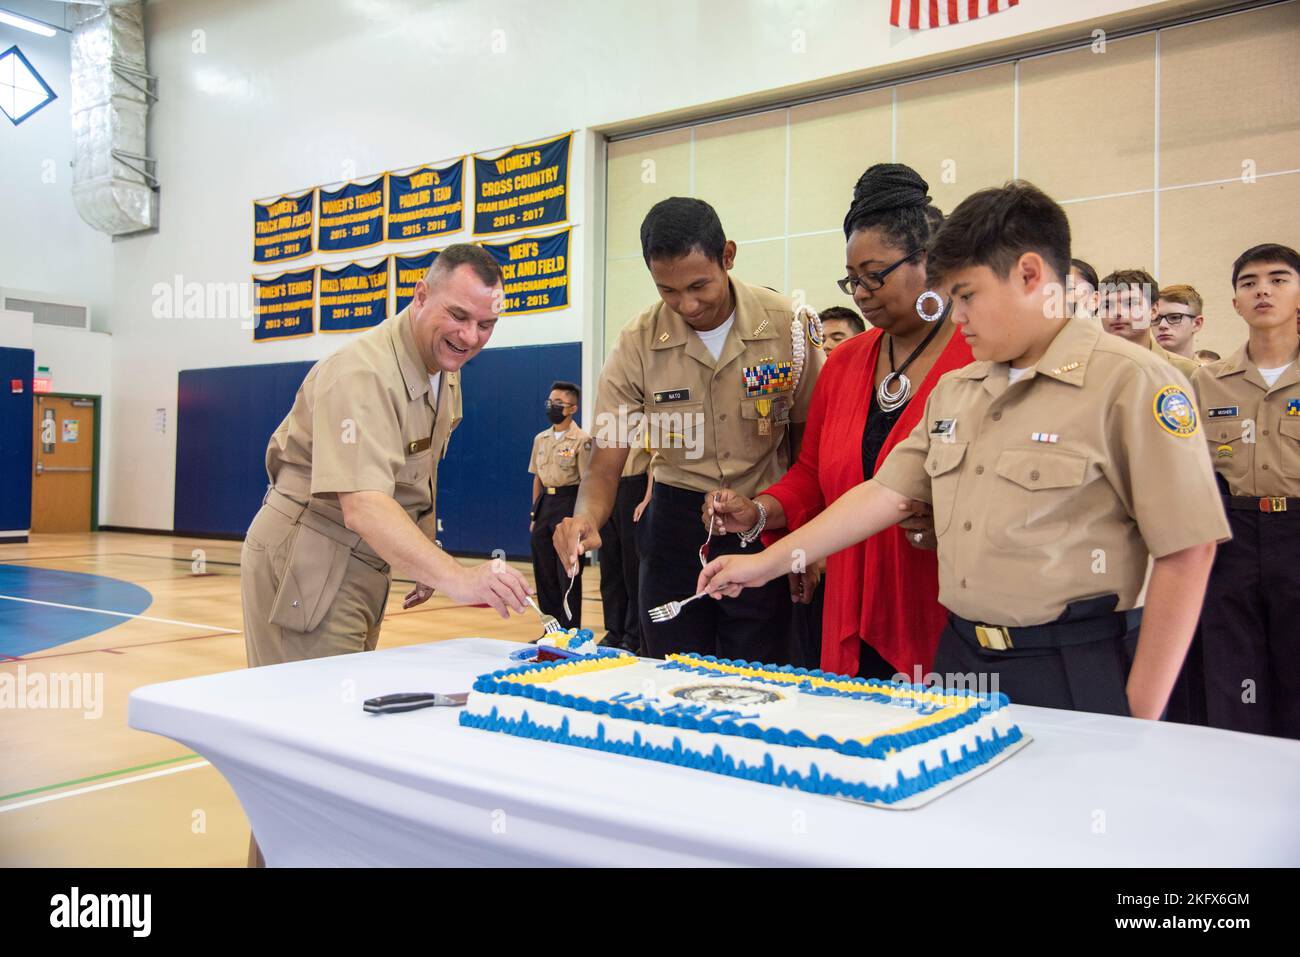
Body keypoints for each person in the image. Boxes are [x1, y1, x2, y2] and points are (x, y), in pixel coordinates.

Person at [698, 180, 1229, 720]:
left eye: (968, 296)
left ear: (1028, 275)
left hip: (1074, 662)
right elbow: (885, 494)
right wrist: (764, 562)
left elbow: (1188, 551)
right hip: (960, 656)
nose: (957, 317)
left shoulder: (1132, 384)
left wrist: (1140, 715)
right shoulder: (961, 387)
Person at [240, 244, 532, 865]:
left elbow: (411, 475)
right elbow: (364, 505)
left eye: (486, 325)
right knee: (302, 748)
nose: (470, 336)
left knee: (331, 744)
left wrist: (422, 555)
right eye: (458, 315)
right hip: (309, 555)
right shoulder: (363, 372)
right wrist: (456, 577)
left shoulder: (439, 369)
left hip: (358, 560)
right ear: (419, 296)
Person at [705, 163, 973, 678]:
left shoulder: (975, 356)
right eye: (852, 280)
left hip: (937, 603)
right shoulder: (847, 362)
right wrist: (760, 510)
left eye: (875, 275)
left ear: (930, 262)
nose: (862, 293)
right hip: (849, 599)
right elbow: (813, 476)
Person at [554, 197, 824, 663]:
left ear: (728, 256)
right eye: (669, 292)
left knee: (762, 675)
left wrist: (807, 543)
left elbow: (807, 450)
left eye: (699, 285)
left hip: (764, 522)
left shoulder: (787, 327)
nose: (688, 304)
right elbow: (605, 462)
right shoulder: (637, 343)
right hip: (674, 529)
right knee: (669, 672)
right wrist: (586, 519)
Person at [1191, 243, 1300, 739]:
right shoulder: (1207, 383)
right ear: (1234, 302)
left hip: (1296, 530)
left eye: (1279, 279)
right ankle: (1237, 775)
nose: (1263, 290)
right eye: (1249, 282)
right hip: (1232, 531)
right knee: (1234, 667)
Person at [529, 380, 593, 629]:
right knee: (544, 573)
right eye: (550, 402)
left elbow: (587, 483)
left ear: (573, 408)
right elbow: (537, 478)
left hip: (569, 503)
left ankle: (569, 631)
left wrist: (580, 520)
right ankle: (550, 630)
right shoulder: (540, 439)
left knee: (568, 574)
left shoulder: (582, 440)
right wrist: (534, 514)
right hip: (546, 503)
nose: (552, 407)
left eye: (559, 403)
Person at [598, 442, 654, 653]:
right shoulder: (609, 422)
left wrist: (647, 498)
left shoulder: (647, 418)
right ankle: (614, 630)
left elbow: (654, 464)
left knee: (631, 567)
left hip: (635, 487)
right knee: (609, 565)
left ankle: (633, 634)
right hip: (608, 487)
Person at [1098, 267, 1200, 380]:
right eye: (1107, 306)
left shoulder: (1188, 372)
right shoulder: (1088, 370)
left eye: (1130, 303)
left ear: (1153, 311)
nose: (1117, 313)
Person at [1154, 284, 1205, 361]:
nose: (1162, 325)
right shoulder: (1139, 371)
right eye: (1156, 319)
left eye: (1174, 317)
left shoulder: (1208, 372)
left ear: (1197, 323)